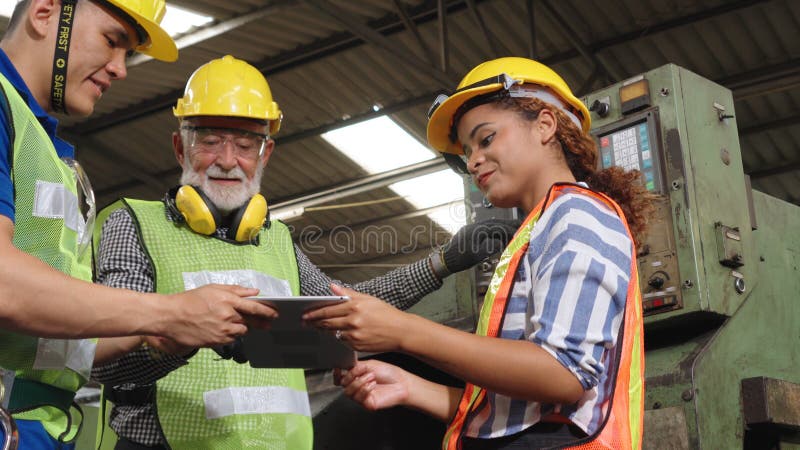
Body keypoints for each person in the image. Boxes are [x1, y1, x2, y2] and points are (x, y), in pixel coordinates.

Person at [91, 54, 518, 450]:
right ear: (181, 148)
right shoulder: (134, 227)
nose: (227, 160)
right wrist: (176, 340)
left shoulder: (277, 241)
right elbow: (101, 366)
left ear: (265, 154)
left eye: (244, 145)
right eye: (210, 141)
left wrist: (443, 261)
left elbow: (349, 308)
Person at [305, 56, 653, 449]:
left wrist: (403, 331)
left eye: (485, 139)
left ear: (544, 125)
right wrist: (410, 387)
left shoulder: (577, 213)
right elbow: (520, 414)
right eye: (467, 151)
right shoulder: (539, 228)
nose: (472, 161)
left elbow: (562, 373)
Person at [0, 2, 278, 449]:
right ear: (46, 10)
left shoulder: (45, 147)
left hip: (37, 425)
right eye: (113, 41)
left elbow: (65, 345)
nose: (121, 70)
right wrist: (171, 311)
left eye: (127, 54)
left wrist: (163, 333)